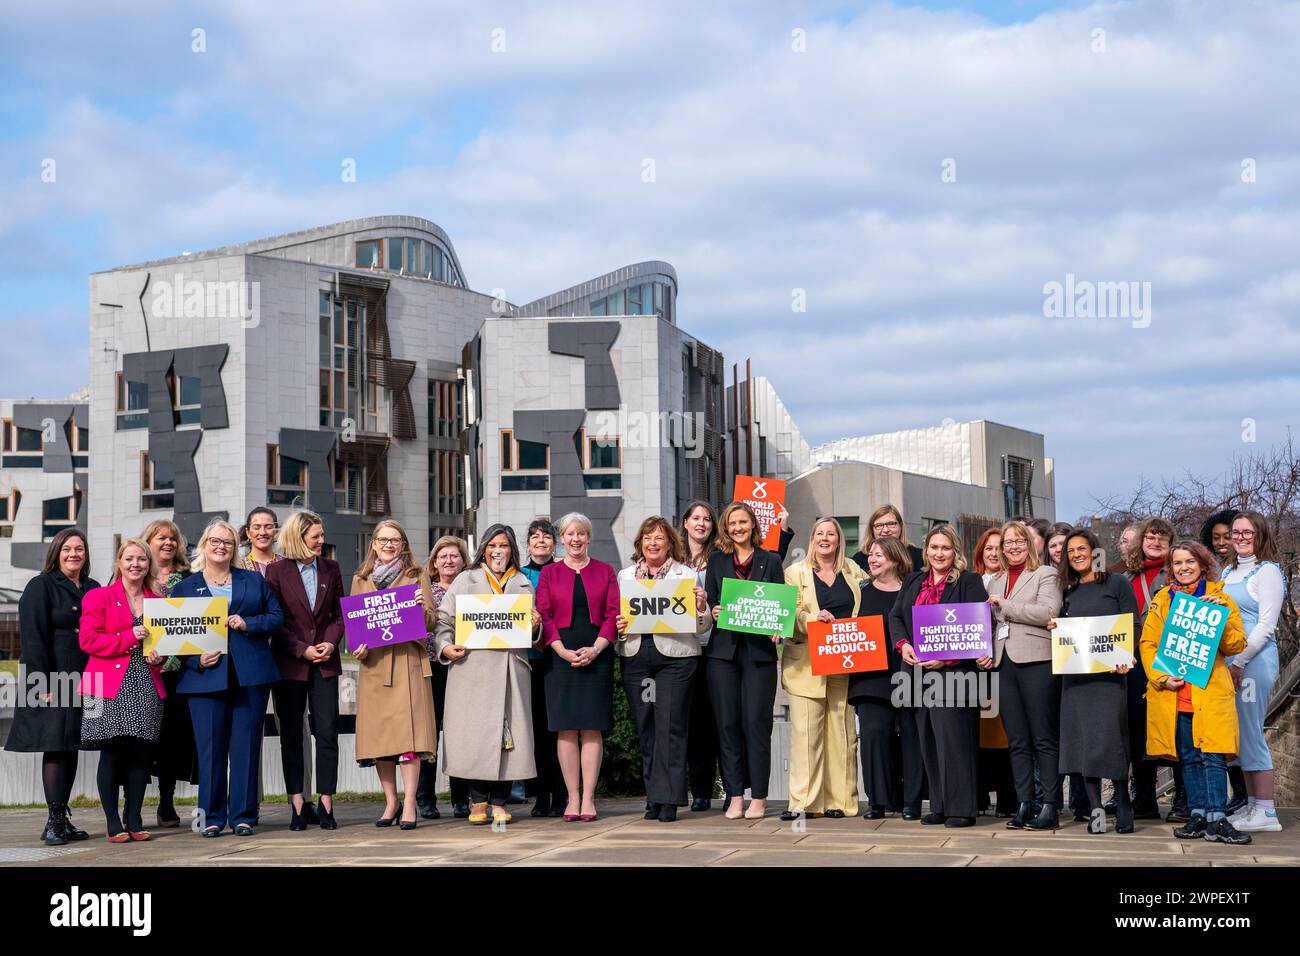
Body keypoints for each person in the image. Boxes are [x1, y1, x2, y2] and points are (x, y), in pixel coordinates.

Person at [172, 518, 284, 837]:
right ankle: (210, 818)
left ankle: (244, 816)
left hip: (250, 675)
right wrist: (196, 659)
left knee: (245, 748)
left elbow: (276, 618)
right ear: (205, 545)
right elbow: (172, 637)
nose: (221, 547)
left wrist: (249, 624)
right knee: (210, 750)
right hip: (204, 679)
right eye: (215, 541)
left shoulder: (253, 580)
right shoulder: (184, 587)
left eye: (228, 543)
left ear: (235, 548)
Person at [1140, 540, 1250, 844]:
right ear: (1171, 568)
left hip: (1210, 691)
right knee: (1188, 757)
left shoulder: (1221, 599)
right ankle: (1198, 815)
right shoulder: (1163, 600)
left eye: (1190, 562)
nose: (1184, 568)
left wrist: (1222, 618)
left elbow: (1237, 645)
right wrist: (1162, 677)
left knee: (1213, 756)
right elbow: (1148, 644)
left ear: (1202, 565)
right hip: (1177, 693)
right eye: (1177, 563)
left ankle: (1219, 818)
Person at [433, 524, 538, 825]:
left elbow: (534, 630)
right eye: (493, 545)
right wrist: (445, 647)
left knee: (509, 738)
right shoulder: (466, 579)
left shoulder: (521, 582)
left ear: (511, 550)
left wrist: (535, 626)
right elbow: (443, 621)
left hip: (510, 671)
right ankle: (478, 801)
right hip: (471, 671)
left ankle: (500, 801)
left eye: (504, 546)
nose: (498, 551)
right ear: (484, 549)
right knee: (473, 737)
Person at [4, 530, 100, 845]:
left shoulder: (93, 588)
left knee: (71, 743)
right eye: (68, 549)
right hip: (53, 676)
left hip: (88, 676)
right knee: (56, 744)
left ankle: (61, 820)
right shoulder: (41, 585)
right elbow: (32, 638)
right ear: (57, 552)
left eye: (80, 549)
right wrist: (41, 681)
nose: (74, 554)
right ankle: (55, 821)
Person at [891, 524, 989, 828]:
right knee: (929, 740)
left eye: (945, 548)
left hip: (955, 674)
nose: (939, 553)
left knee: (955, 742)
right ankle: (939, 804)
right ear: (926, 550)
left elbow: (978, 624)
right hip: (918, 673)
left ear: (955, 550)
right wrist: (904, 645)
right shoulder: (914, 580)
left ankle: (962, 808)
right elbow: (896, 616)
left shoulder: (969, 581)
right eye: (934, 547)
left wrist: (945, 658)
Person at [614, 517, 709, 822]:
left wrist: (702, 608)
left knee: (671, 726)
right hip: (637, 656)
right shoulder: (624, 576)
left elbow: (701, 627)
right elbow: (617, 619)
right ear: (640, 543)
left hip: (676, 659)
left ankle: (668, 800)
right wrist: (618, 627)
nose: (653, 543)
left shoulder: (687, 576)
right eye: (647, 538)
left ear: (670, 542)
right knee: (646, 728)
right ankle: (652, 797)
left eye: (659, 538)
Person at [349, 520, 438, 831]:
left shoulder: (417, 576)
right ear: (373, 543)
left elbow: (430, 622)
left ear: (403, 545)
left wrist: (417, 608)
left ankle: (410, 801)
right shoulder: (360, 579)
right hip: (374, 667)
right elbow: (356, 628)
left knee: (408, 739)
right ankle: (391, 801)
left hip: (406, 664)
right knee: (381, 741)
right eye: (383, 540)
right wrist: (358, 647)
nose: (388, 545)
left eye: (395, 540)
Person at [1051, 528, 1138, 834]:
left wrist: (1128, 656)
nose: (1076, 554)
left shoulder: (1116, 582)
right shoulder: (1067, 590)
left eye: (1081, 549)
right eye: (1070, 550)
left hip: (1110, 678)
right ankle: (1096, 810)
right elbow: (1062, 629)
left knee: (1111, 739)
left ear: (1094, 551)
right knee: (1082, 741)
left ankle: (1123, 800)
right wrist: (1056, 627)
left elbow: (1132, 623)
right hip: (1075, 679)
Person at [78, 538, 165, 842]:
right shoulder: (98, 596)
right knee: (112, 754)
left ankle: (135, 817)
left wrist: (160, 657)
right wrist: (129, 636)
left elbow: (164, 648)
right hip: (103, 685)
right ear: (119, 563)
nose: (135, 565)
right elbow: (87, 641)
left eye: (141, 559)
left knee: (141, 754)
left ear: (148, 564)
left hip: (145, 680)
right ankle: (113, 821)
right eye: (129, 559)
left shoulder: (158, 601)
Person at [705, 501, 787, 820]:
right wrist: (712, 610)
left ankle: (760, 797)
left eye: (743, 522)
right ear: (726, 529)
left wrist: (779, 626)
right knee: (727, 725)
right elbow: (713, 600)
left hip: (759, 656)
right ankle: (735, 794)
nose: (738, 528)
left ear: (753, 525)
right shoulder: (717, 560)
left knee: (756, 723)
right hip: (723, 654)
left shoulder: (771, 560)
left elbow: (779, 603)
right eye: (732, 523)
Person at [265, 510, 346, 831]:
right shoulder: (276, 571)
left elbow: (340, 614)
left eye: (321, 535)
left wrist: (328, 643)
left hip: (325, 665)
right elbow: (277, 619)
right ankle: (298, 802)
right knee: (291, 737)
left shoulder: (332, 568)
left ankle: (326, 801)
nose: (321, 541)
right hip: (290, 665)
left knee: (327, 733)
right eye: (316, 536)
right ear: (298, 538)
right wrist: (302, 648)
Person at [537, 513, 620, 822]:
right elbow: (543, 615)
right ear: (562, 538)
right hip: (560, 654)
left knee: (592, 727)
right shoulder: (549, 574)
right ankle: (572, 798)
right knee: (566, 728)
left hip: (597, 652)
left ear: (589, 538)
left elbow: (614, 613)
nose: (575, 539)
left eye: (581, 534)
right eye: (570, 534)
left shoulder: (606, 571)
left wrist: (597, 648)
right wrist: (562, 651)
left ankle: (589, 798)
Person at [782, 517, 865, 819]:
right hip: (806, 664)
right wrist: (813, 619)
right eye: (820, 533)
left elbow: (868, 604)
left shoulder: (854, 570)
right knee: (807, 736)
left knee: (842, 735)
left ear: (840, 540)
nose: (825, 538)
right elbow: (787, 612)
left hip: (844, 661)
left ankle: (840, 802)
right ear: (812, 538)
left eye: (831, 533)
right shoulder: (794, 573)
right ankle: (803, 804)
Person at [986, 520, 1064, 830]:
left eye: (1020, 541)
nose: (1014, 546)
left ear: (1029, 545)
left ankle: (1050, 806)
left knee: (1043, 738)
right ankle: (1024, 803)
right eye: (1008, 542)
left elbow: (1048, 613)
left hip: (1036, 660)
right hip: (1003, 662)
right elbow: (991, 624)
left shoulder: (1046, 574)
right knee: (1016, 740)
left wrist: (1005, 606)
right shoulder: (995, 580)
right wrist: (985, 651)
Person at [847, 536, 921, 819]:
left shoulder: (914, 591)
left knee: (911, 739)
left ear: (896, 558)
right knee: (874, 736)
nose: (873, 560)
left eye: (880, 555)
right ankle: (877, 801)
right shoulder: (859, 592)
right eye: (871, 555)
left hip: (908, 674)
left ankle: (911, 801)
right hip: (870, 678)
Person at [1221, 510, 1285, 833]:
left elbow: (1266, 626)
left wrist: (1240, 661)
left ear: (1259, 534)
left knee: (1251, 731)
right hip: (1230, 665)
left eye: (1248, 533)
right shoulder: (1228, 571)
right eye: (1236, 532)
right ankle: (1250, 806)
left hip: (1252, 662)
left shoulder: (1267, 572)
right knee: (1239, 734)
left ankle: (1267, 811)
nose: (1241, 538)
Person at [140, 519, 198, 829]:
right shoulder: (135, 574)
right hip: (141, 670)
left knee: (172, 738)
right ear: (147, 541)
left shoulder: (188, 579)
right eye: (161, 537)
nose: (168, 543)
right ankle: (132, 803)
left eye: (172, 538)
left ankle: (166, 800)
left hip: (179, 672)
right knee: (137, 738)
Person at [416, 535, 470, 819]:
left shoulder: (472, 589)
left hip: (464, 668)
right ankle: (426, 798)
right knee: (429, 736)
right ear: (434, 563)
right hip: (430, 666)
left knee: (459, 735)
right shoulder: (423, 591)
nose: (449, 561)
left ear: (463, 561)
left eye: (455, 556)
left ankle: (461, 798)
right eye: (443, 557)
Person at [1125, 517, 1175, 820]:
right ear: (1141, 541)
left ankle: (1182, 797)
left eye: (1162, 539)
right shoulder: (1127, 576)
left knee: (1169, 724)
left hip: (1165, 657)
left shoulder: (1176, 572)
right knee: (1136, 727)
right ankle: (1144, 796)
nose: (1155, 543)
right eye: (1150, 538)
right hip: (1132, 659)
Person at [518, 519, 566, 818]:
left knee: (556, 728)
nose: (540, 541)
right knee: (534, 730)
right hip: (527, 661)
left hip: (556, 657)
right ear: (528, 543)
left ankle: (561, 792)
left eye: (546, 537)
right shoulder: (517, 575)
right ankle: (540, 794)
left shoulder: (561, 572)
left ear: (554, 543)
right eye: (534, 536)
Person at [680, 500, 721, 811]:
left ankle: (725, 789)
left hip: (716, 646)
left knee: (718, 720)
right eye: (696, 518)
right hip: (683, 649)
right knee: (692, 722)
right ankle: (700, 792)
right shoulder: (672, 559)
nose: (702, 524)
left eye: (707, 519)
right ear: (685, 523)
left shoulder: (720, 558)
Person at [972, 525, 1014, 817]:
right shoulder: (969, 581)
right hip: (974, 668)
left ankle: (1008, 797)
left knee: (1006, 734)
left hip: (1004, 663)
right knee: (978, 734)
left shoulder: (1013, 581)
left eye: (998, 548)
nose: (993, 553)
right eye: (988, 548)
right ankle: (979, 796)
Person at [851, 504, 924, 575]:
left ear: (901, 526)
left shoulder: (920, 557)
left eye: (891, 524)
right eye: (879, 525)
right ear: (872, 530)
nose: (885, 530)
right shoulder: (859, 560)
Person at [240, 506, 281, 574]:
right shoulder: (239, 567)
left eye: (268, 527)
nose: (263, 532)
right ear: (248, 533)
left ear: (276, 532)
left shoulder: (288, 565)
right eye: (257, 528)